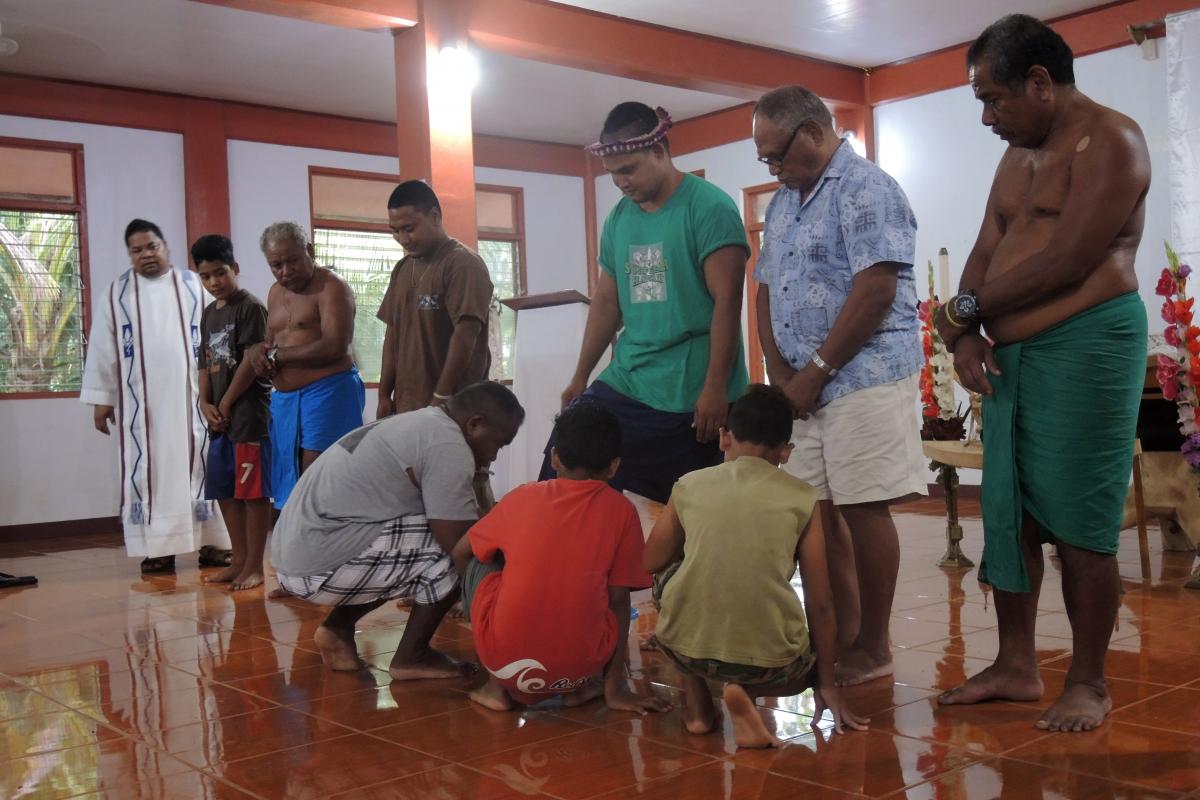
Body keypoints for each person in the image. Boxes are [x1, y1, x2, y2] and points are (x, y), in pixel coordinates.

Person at [936, 14, 1150, 733]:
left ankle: (1088, 681)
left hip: (1087, 346)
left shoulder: (1112, 140)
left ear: (1039, 83)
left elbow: (1069, 260)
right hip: (1011, 358)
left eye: (993, 100)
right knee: (1011, 512)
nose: (988, 118)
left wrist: (962, 311)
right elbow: (985, 247)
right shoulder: (1016, 158)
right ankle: (1015, 664)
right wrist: (964, 333)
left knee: (1082, 522)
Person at [751, 85, 926, 688]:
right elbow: (765, 287)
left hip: (863, 375)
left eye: (776, 156)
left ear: (812, 132)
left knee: (862, 507)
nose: (772, 169)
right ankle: (838, 637)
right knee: (815, 513)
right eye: (764, 160)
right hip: (801, 385)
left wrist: (816, 371)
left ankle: (874, 645)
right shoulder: (784, 203)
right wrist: (778, 371)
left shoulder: (867, 187)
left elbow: (875, 290)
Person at [542, 102, 750, 504]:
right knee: (568, 456)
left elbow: (727, 302)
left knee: (688, 505)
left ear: (659, 152)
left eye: (628, 170)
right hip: (630, 376)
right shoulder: (619, 218)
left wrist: (715, 387)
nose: (620, 182)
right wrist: (580, 375)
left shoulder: (710, 208)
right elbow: (607, 302)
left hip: (691, 382)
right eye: (612, 174)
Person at [644, 385, 868, 748]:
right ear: (786, 452)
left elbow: (650, 561)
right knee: (808, 664)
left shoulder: (689, 485)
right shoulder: (803, 497)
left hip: (685, 647)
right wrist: (826, 682)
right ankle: (744, 690)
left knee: (670, 572)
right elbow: (820, 601)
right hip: (771, 665)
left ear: (724, 437)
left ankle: (698, 710)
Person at [270, 382, 524, 679]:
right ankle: (412, 656)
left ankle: (337, 630)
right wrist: (508, 594)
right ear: (474, 424)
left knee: (433, 537)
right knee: (458, 546)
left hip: (296, 557)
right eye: (498, 444)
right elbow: (461, 542)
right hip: (317, 564)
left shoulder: (423, 422)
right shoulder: (449, 445)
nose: (493, 456)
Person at [452, 402, 671, 715]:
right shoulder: (622, 511)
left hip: (507, 663)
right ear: (613, 466)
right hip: (582, 667)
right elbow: (619, 600)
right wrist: (615, 692)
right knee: (602, 590)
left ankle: (495, 689)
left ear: (554, 457)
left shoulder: (522, 496)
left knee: (482, 559)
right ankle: (580, 689)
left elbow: (461, 551)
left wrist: (478, 599)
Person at [81, 219, 230, 573]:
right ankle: (159, 549)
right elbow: (102, 347)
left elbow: (222, 333)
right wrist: (103, 398)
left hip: (195, 400)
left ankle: (214, 545)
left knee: (203, 466)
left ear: (166, 247)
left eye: (152, 246)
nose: (146, 254)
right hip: (143, 408)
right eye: (137, 250)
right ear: (129, 255)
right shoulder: (117, 294)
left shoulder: (195, 285)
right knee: (151, 474)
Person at [247, 221, 364, 514]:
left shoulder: (331, 287)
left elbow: (335, 346)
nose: (285, 271)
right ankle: (297, 541)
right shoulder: (275, 292)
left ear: (309, 251)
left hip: (328, 392)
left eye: (293, 261)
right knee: (291, 484)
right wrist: (260, 353)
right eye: (276, 265)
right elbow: (272, 341)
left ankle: (324, 541)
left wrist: (279, 357)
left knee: (319, 484)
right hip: (286, 401)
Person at [193, 234, 273, 591]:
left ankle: (255, 566)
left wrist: (225, 404)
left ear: (235, 268)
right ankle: (237, 560)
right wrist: (204, 403)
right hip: (220, 421)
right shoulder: (209, 313)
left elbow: (252, 361)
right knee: (225, 490)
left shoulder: (250, 307)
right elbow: (204, 363)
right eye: (206, 276)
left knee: (252, 493)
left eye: (220, 273)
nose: (214, 282)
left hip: (247, 416)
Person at [376, 180, 494, 418]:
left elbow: (466, 335)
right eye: (395, 231)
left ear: (435, 216)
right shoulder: (401, 269)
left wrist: (441, 397)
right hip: (408, 407)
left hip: (454, 408)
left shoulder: (463, 264)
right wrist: (384, 394)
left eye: (409, 228)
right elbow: (392, 334)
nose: (403, 238)